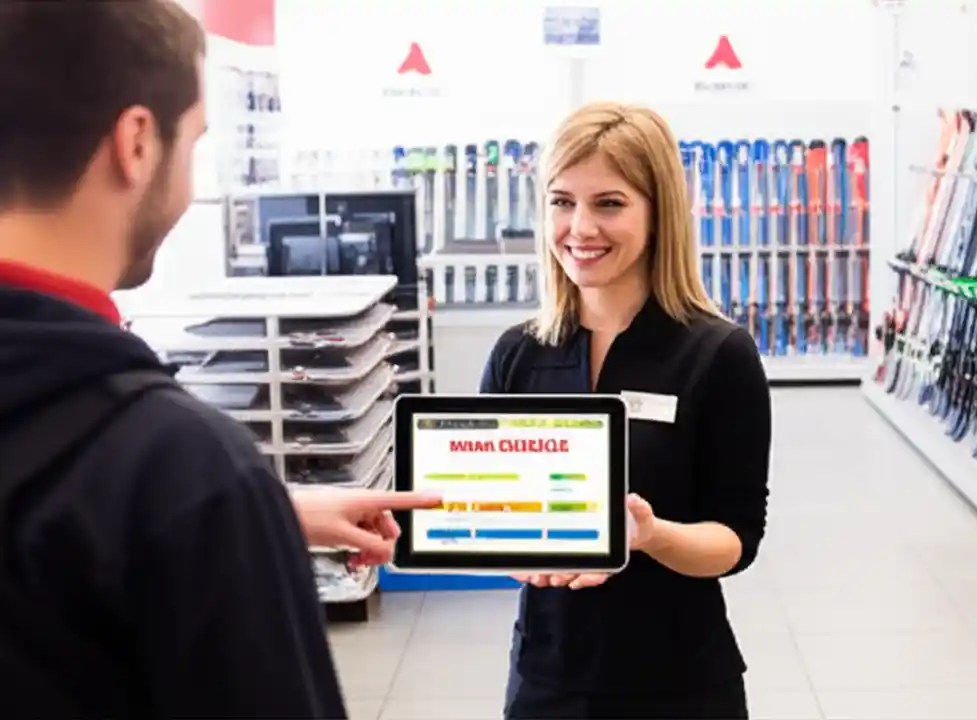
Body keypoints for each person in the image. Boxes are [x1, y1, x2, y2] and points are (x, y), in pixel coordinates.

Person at [0, 2, 438, 717]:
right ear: (137, 142)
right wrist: (223, 512)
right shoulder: (179, 467)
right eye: (195, 141)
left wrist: (264, 511)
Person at [480, 102, 773, 719]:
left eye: (609, 203)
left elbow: (737, 539)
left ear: (658, 212)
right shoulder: (520, 354)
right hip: (546, 680)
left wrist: (651, 536)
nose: (580, 227)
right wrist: (498, 542)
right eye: (562, 202)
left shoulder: (717, 353)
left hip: (678, 685)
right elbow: (488, 518)